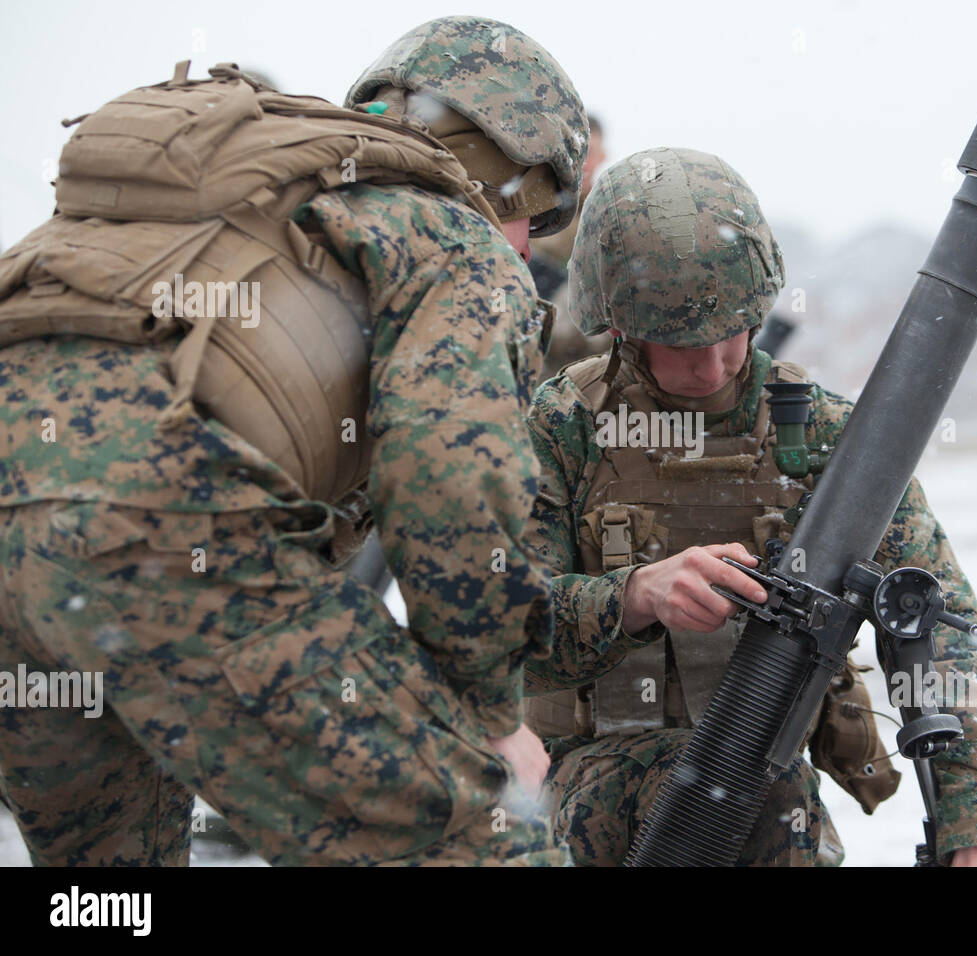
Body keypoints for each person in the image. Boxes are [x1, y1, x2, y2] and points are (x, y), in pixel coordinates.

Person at [0, 16, 586, 866]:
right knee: (482, 841)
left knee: (107, 886)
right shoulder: (448, 233)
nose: (530, 250)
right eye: (539, 221)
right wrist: (487, 715)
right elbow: (452, 478)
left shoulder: (262, 204)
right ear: (522, 184)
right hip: (160, 533)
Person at [523, 147, 977, 867]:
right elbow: (501, 624)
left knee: (777, 807)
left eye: (728, 330)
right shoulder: (563, 426)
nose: (709, 365)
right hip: (589, 790)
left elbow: (939, 635)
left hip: (769, 796)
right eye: (676, 342)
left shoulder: (826, 437)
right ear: (617, 324)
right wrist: (634, 596)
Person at [529, 115, 613, 381]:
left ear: (603, 157)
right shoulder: (531, 208)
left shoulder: (611, 215)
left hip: (593, 365)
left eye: (592, 153)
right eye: (578, 152)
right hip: (540, 360)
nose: (584, 162)